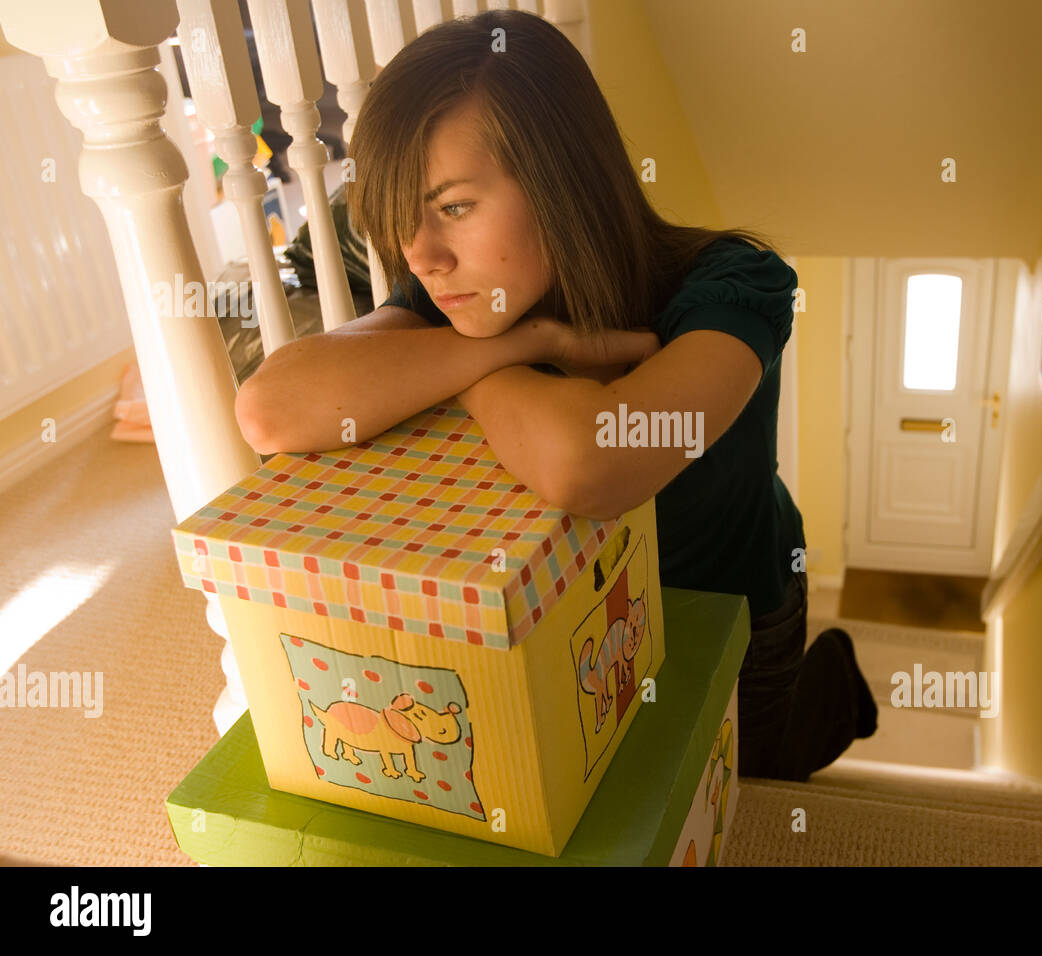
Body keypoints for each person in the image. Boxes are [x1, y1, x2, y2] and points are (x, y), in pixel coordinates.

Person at [238, 8, 876, 782]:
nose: (424, 256)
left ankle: (837, 690)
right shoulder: (459, 294)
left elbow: (591, 460)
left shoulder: (732, 287)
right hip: (581, 623)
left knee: (762, 774)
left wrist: (466, 365)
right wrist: (530, 346)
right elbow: (268, 408)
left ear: (562, 176)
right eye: (404, 219)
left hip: (731, 609)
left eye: (454, 207)